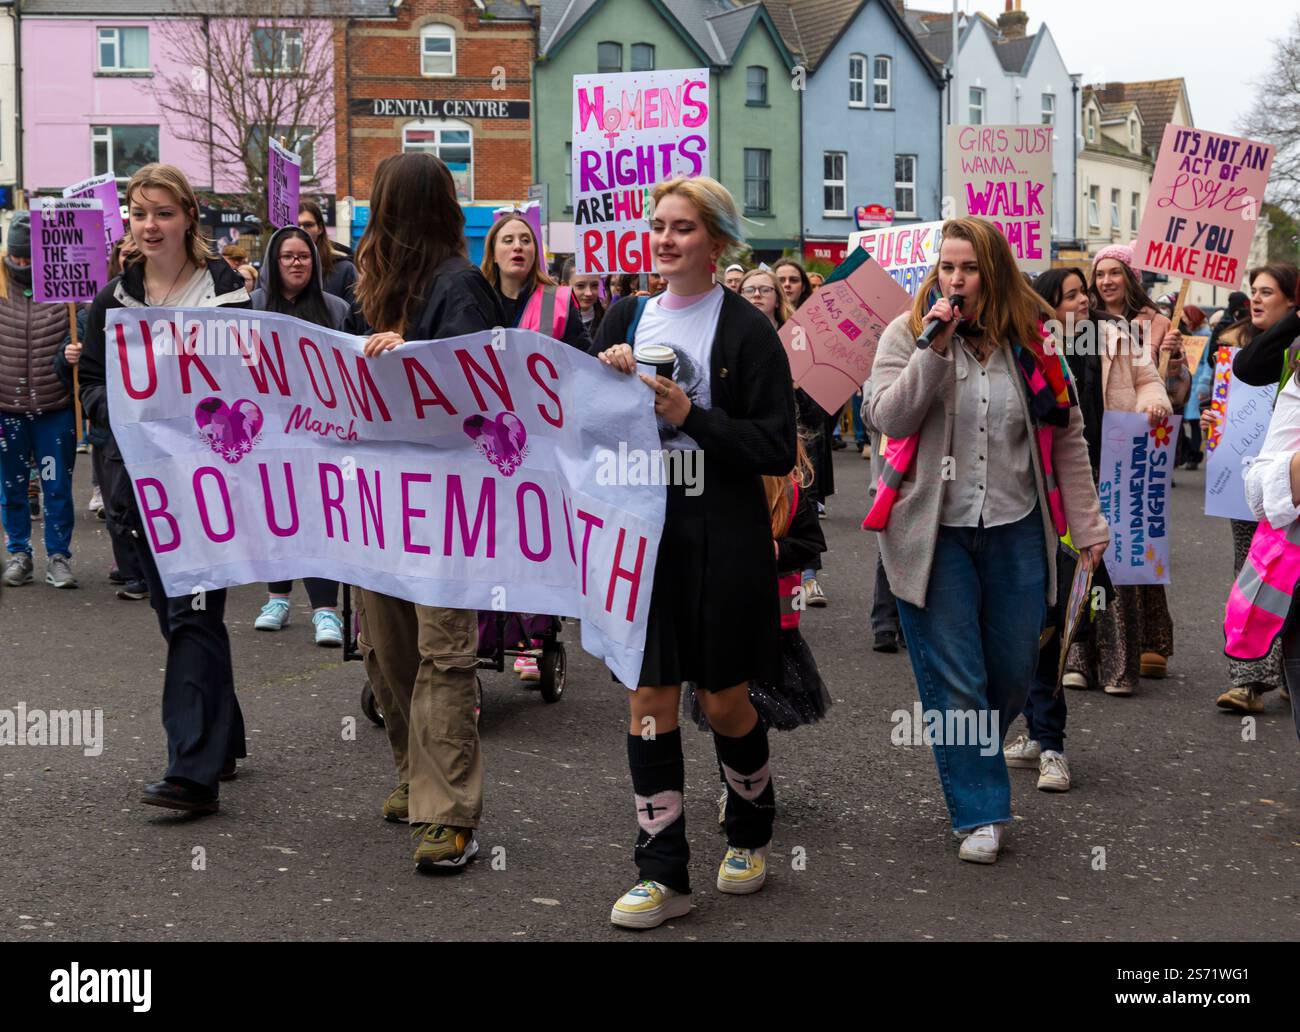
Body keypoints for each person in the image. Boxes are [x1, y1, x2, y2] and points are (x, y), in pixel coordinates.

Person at [867, 218, 1107, 863]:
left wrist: (1086, 525)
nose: (955, 279)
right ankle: (981, 809)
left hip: (1015, 529)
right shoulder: (909, 330)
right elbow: (885, 416)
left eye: (968, 268)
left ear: (993, 272)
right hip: (933, 534)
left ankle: (968, 748)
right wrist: (932, 351)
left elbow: (1068, 436)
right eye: (946, 267)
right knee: (958, 679)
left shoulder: (1033, 343)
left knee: (1008, 675)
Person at [593, 175, 796, 927]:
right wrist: (604, 381)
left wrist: (693, 415)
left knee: (722, 699)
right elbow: (585, 427)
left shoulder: (747, 329)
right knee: (648, 698)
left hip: (723, 534)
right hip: (640, 533)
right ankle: (664, 872)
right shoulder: (623, 315)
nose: (665, 238)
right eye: (658, 225)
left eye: (682, 227)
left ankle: (749, 828)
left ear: (715, 241)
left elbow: (775, 445)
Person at [79, 163, 252, 814]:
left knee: (193, 614)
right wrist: (116, 409)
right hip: (141, 483)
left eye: (163, 213)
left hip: (209, 483)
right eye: (139, 213)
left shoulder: (226, 294)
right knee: (174, 617)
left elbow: (253, 378)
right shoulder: (114, 300)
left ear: (189, 220)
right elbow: (92, 381)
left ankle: (191, 772)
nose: (150, 225)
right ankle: (223, 735)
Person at [353, 152, 505, 872]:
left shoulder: (461, 286)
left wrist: (412, 357)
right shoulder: (375, 287)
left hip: (444, 506)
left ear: (397, 208)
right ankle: (416, 778)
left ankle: (450, 814)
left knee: (444, 654)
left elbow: (484, 393)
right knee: (388, 647)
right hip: (378, 501)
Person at [247, 224, 354, 647]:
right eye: (288, 256)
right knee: (277, 513)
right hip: (268, 432)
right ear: (274, 262)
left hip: (320, 433)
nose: (296, 263)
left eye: (304, 256)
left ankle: (326, 611)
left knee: (318, 517)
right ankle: (277, 599)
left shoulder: (337, 309)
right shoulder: (250, 306)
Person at [1088, 243, 1185, 682]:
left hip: (1138, 443)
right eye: (1100, 273)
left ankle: (1151, 640)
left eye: (1115, 272)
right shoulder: (1078, 320)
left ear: (1130, 277)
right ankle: (1096, 640)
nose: (1106, 281)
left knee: (1138, 538)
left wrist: (1177, 363)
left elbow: (1168, 388)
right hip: (1093, 441)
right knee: (1097, 544)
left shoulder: (1158, 322)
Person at [1203, 264, 1298, 712]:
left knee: (1282, 576)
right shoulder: (1235, 343)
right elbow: (1246, 369)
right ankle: (1248, 678)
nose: (1256, 299)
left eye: (1268, 292)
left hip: (1285, 480)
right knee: (1255, 572)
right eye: (1253, 291)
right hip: (1249, 478)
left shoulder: (1292, 343)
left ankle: (1280, 668)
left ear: (1292, 298)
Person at [0, 211, 79, 590]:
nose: (21, 265)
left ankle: (59, 555)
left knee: (56, 486)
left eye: (28, 259)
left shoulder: (67, 287)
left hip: (54, 405)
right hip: (6, 407)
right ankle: (19, 552)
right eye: (16, 258)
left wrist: (70, 352)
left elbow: (80, 333)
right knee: (12, 486)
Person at [481, 215, 589, 351]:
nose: (518, 246)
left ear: (535, 253)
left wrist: (613, 355)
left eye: (525, 240)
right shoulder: (476, 303)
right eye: (508, 241)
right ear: (493, 255)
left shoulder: (558, 301)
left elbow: (585, 359)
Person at [298, 199, 357, 305]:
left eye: (308, 225)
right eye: (296, 225)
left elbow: (355, 317)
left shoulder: (343, 270)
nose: (301, 230)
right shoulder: (276, 267)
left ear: (320, 228)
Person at [561, 257, 605, 338]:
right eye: (580, 286)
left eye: (594, 285)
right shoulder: (554, 324)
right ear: (564, 286)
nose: (589, 293)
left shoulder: (609, 321)